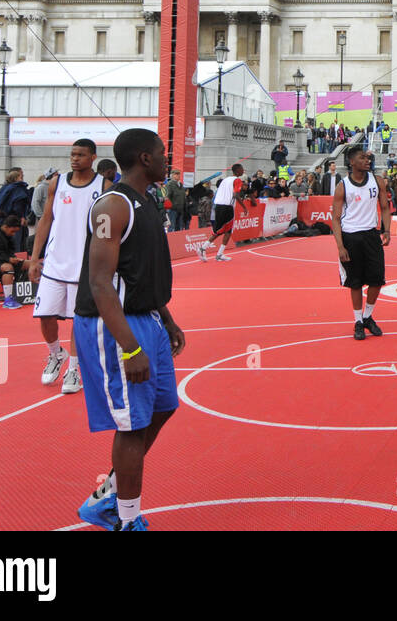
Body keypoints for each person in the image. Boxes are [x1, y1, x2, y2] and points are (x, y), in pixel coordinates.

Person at [72, 128, 184, 532]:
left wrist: (166, 318)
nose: (167, 158)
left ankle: (110, 493)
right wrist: (130, 347)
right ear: (144, 158)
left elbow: (139, 272)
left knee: (163, 406)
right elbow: (101, 282)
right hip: (114, 325)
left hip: (147, 318)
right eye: (161, 152)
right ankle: (125, 518)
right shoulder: (112, 206)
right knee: (132, 425)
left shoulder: (147, 201)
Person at [28, 138, 104, 394]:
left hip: (84, 265)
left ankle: (74, 368)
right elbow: (46, 220)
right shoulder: (56, 183)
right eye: (72, 154)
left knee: (78, 320)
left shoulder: (103, 185)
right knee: (45, 315)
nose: (75, 158)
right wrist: (34, 257)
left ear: (92, 157)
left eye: (81, 155)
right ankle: (55, 353)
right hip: (54, 262)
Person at [332, 149, 391, 341]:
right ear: (352, 162)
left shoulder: (378, 181)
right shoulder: (343, 186)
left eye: (368, 158)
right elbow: (335, 218)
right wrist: (340, 246)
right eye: (362, 158)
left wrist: (386, 230)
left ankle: (367, 316)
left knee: (377, 279)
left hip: (371, 235)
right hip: (351, 236)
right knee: (355, 282)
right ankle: (358, 321)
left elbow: (384, 207)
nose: (367, 160)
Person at [199, 164, 245, 262]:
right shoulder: (237, 180)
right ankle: (203, 248)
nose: (243, 171)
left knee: (226, 231)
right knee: (220, 231)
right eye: (242, 169)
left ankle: (219, 253)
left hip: (219, 206)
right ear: (237, 171)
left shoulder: (225, 180)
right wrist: (244, 207)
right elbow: (236, 195)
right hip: (227, 207)